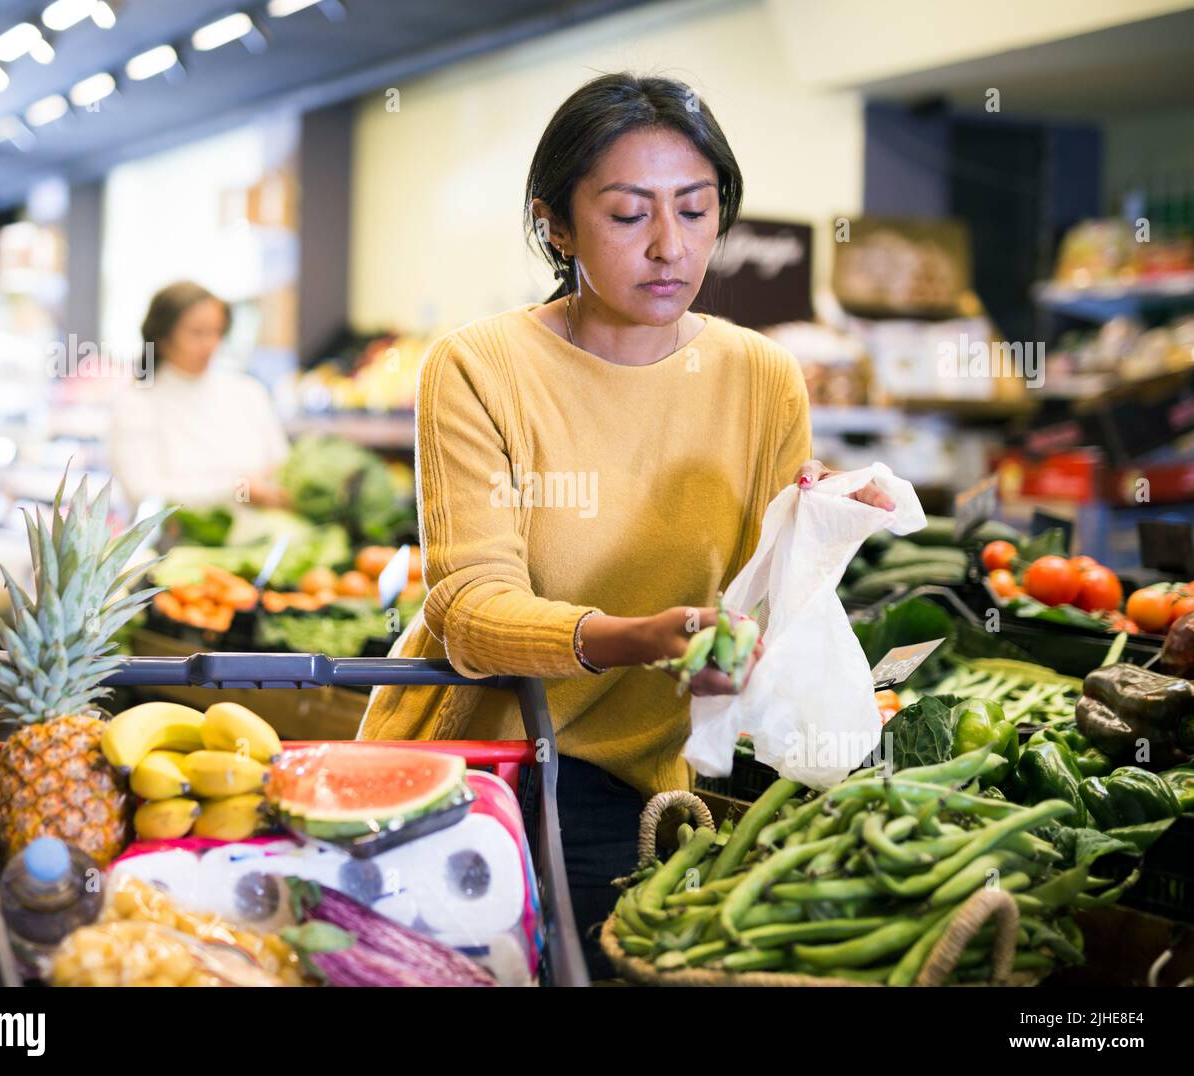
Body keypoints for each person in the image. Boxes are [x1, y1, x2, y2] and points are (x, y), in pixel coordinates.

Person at [359, 73, 892, 978]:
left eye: (695, 209)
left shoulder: (762, 377)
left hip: (657, 775)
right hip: (486, 759)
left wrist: (820, 524)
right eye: (627, 214)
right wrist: (639, 637)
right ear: (555, 225)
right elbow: (468, 609)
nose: (668, 246)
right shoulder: (479, 367)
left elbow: (760, 590)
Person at [109, 281, 290, 510]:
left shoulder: (249, 392)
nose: (210, 345)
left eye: (217, 332)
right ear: (162, 338)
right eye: (197, 333)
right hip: (177, 544)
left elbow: (281, 465)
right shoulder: (136, 404)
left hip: (264, 537)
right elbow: (143, 492)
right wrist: (236, 489)